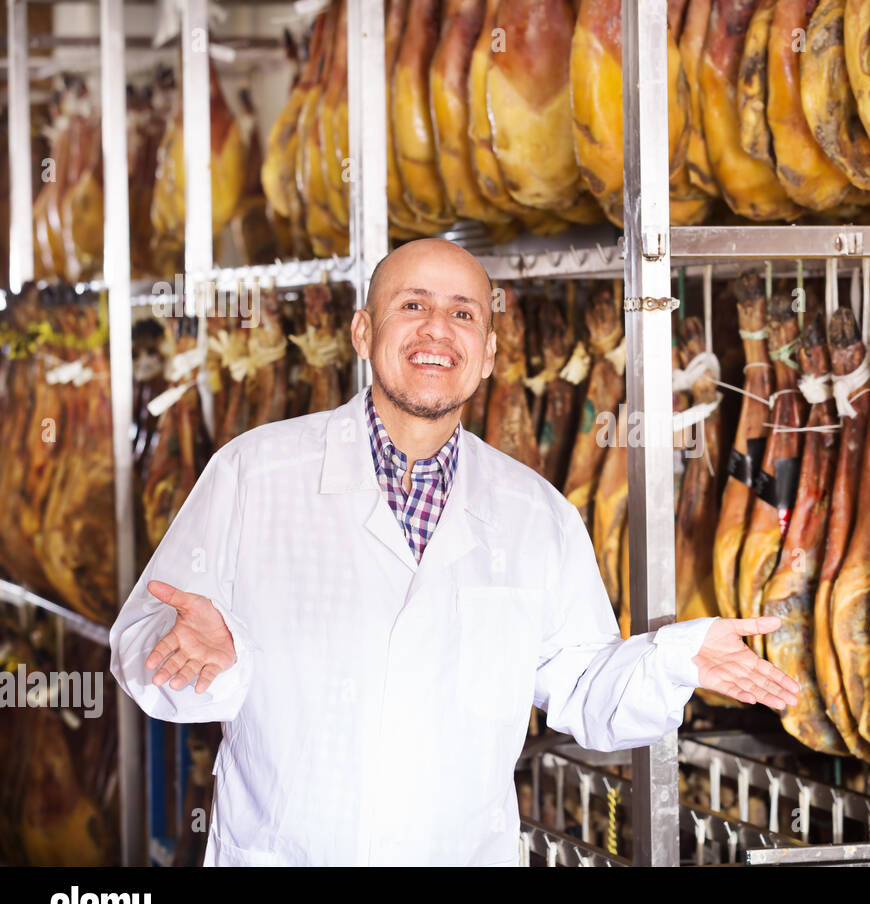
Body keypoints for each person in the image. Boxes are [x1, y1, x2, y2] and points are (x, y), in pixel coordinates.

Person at [109, 238, 798, 866]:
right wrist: (208, 663)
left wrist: (674, 659)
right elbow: (140, 646)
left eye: (463, 313)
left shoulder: (537, 516)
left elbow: (586, 690)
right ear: (362, 331)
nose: (437, 329)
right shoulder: (253, 474)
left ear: (489, 352)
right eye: (413, 305)